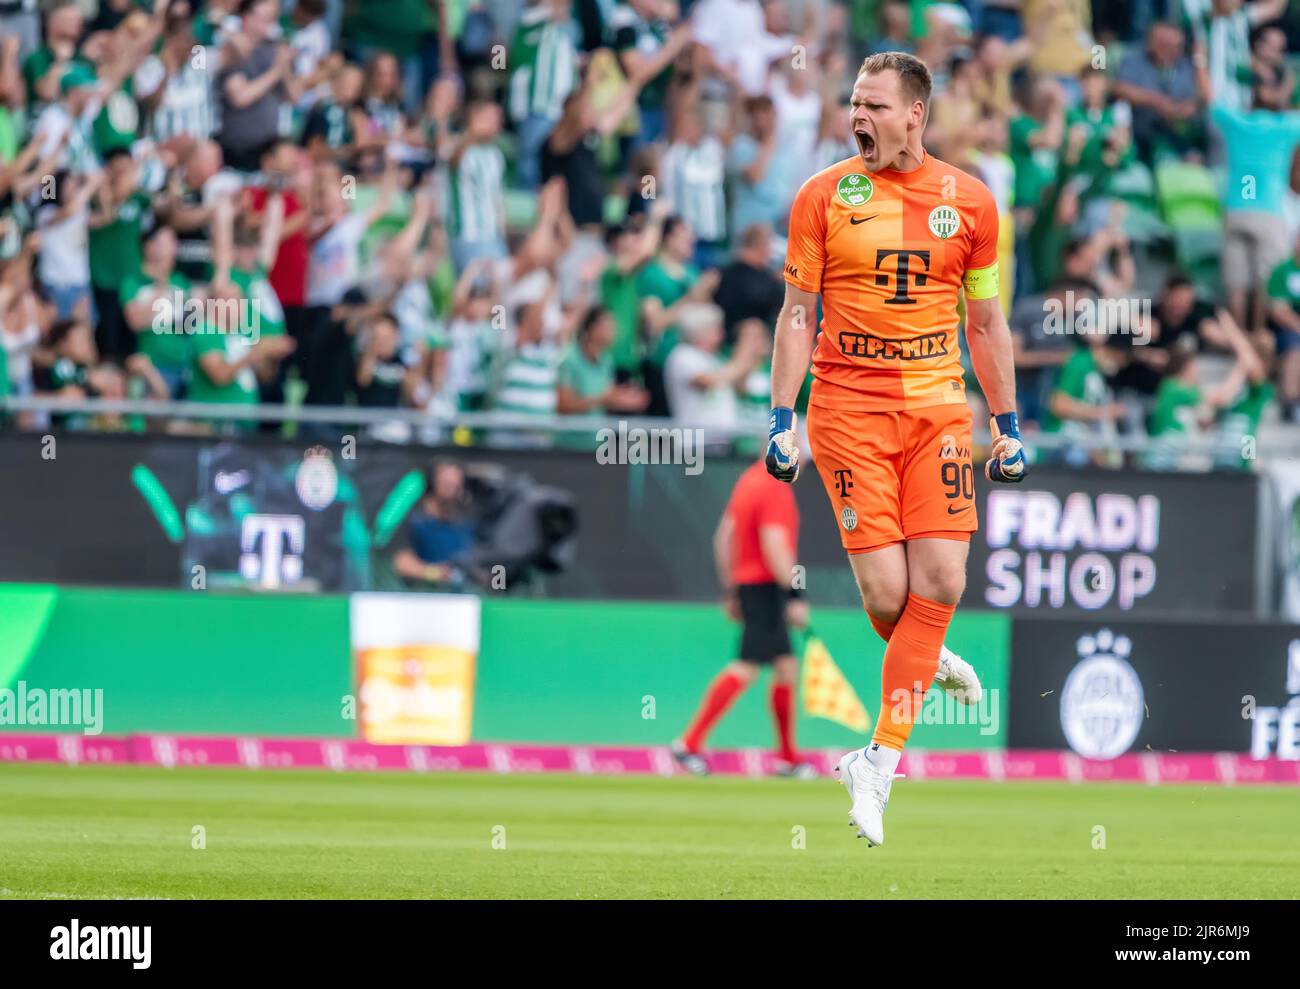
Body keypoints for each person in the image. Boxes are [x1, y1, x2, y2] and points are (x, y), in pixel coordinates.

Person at [766, 51, 1002, 847]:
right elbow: (797, 314)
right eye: (852, 103)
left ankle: (878, 761)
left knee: (941, 578)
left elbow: (987, 324)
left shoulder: (969, 202)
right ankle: (925, 655)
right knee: (888, 600)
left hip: (937, 413)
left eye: (873, 105)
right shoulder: (822, 195)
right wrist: (779, 417)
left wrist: (1006, 422)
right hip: (848, 414)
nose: (857, 117)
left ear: (915, 115)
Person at [672, 456, 812, 778]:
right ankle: (688, 744)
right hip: (767, 586)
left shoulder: (748, 480)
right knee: (747, 666)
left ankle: (788, 758)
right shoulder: (775, 485)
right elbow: (775, 543)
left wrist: (732, 588)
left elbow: (724, 536)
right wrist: (794, 595)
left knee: (785, 666)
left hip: (749, 585)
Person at [393, 459, 474, 589]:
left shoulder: (464, 526)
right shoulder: (414, 522)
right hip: (422, 598)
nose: (453, 490)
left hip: (461, 599)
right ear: (432, 484)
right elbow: (403, 564)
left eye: (456, 486)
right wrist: (435, 573)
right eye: (447, 484)